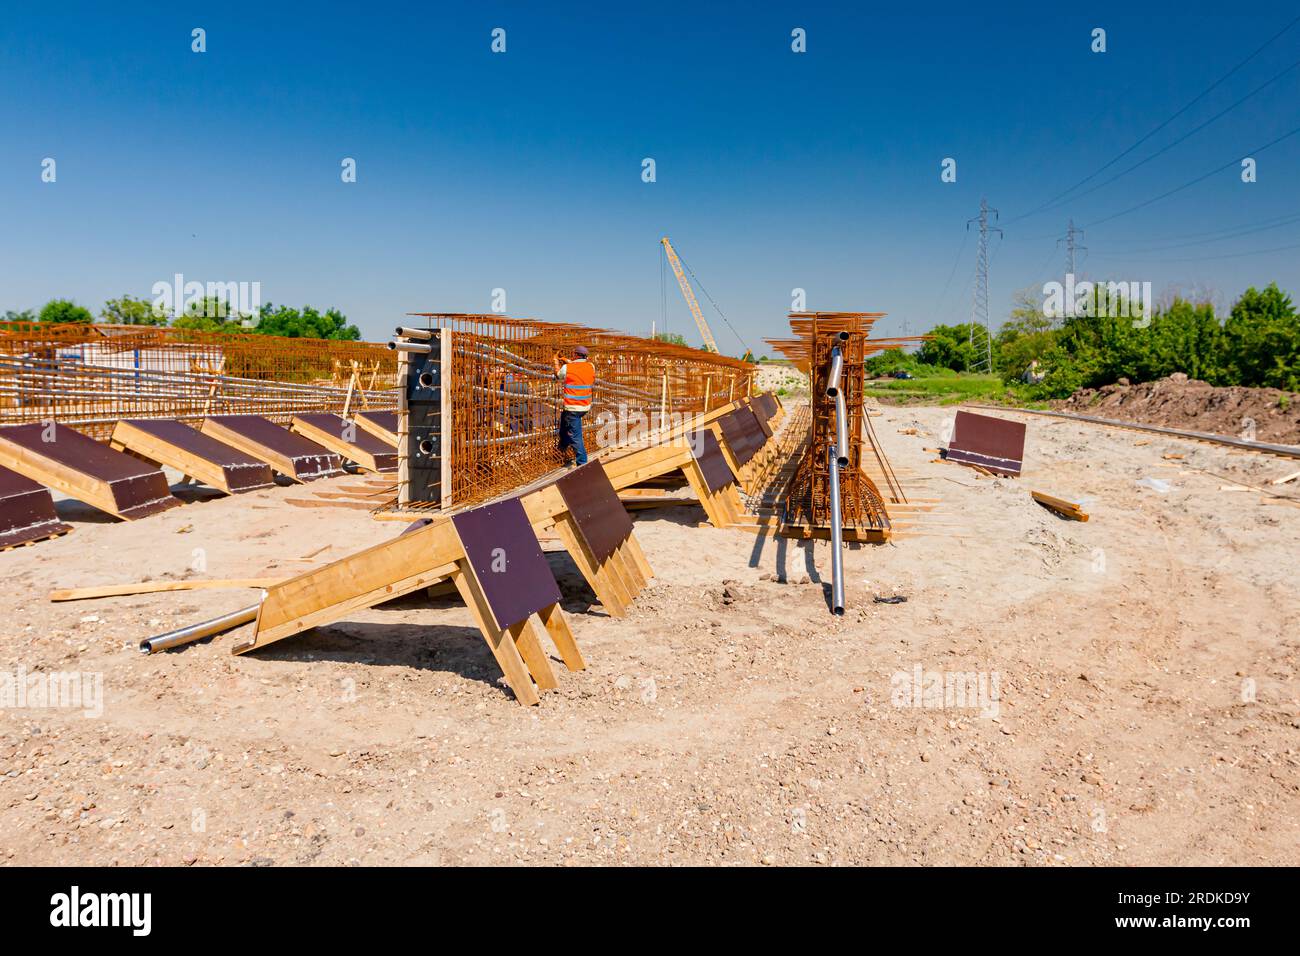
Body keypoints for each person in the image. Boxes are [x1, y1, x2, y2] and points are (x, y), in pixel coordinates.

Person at [553, 345, 594, 466]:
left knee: (575, 436)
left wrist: (556, 361)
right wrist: (565, 360)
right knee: (564, 421)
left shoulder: (567, 368)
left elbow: (558, 374)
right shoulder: (591, 366)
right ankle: (563, 446)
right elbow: (578, 367)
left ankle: (582, 462)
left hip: (573, 407)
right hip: (585, 406)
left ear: (575, 355)